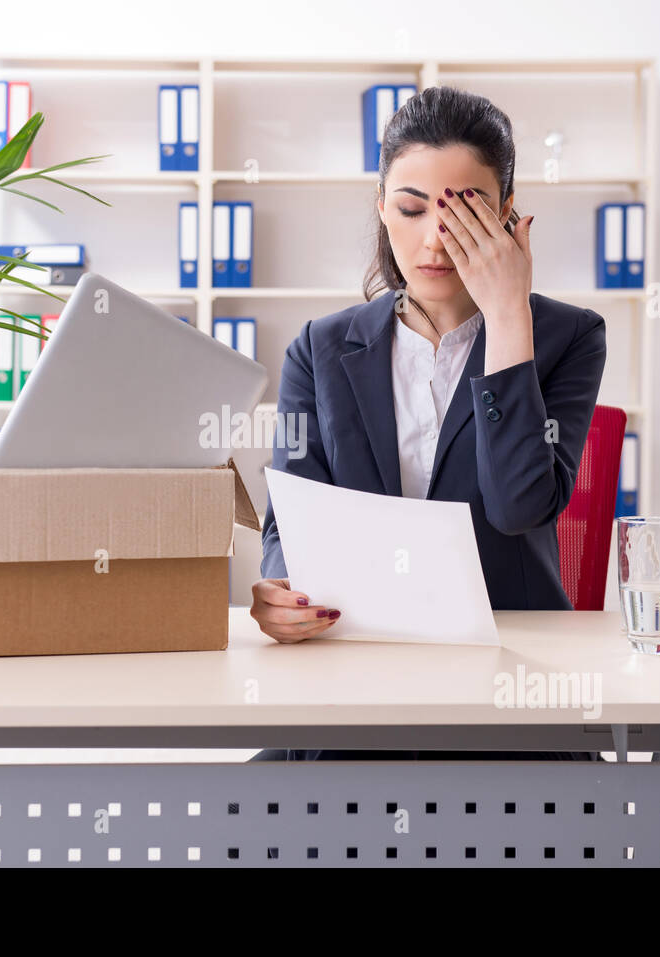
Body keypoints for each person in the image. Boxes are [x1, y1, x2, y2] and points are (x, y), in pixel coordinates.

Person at [248, 86, 606, 762]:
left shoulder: (567, 338)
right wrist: (281, 590)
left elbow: (518, 504)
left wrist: (507, 320)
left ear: (506, 215)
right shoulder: (319, 350)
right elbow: (288, 521)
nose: (435, 238)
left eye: (466, 214)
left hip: (514, 687)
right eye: (411, 209)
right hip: (356, 669)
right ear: (382, 206)